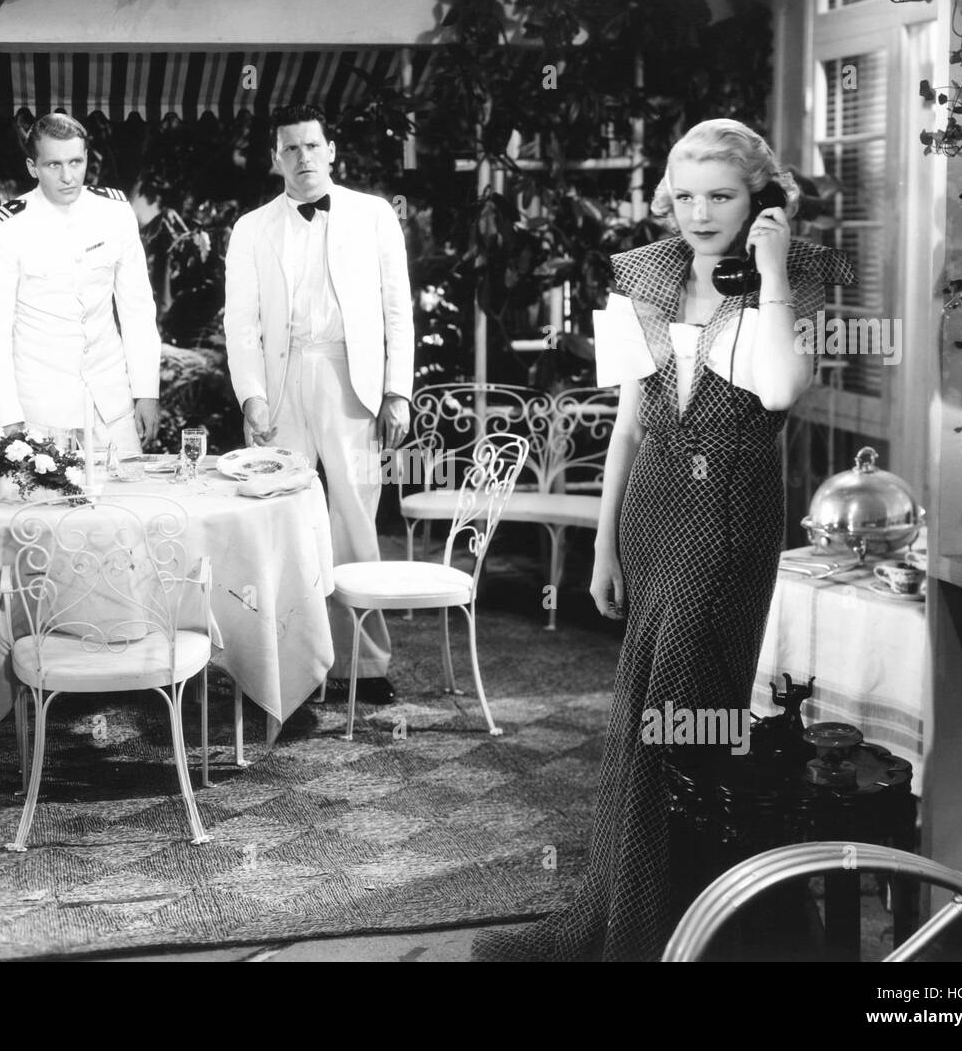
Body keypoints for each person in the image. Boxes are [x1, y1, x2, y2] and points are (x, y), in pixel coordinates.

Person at [472, 119, 855, 961]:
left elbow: (785, 390)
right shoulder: (647, 276)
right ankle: (643, 917)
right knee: (648, 721)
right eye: (685, 197)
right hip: (653, 514)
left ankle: (690, 930)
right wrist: (605, 545)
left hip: (732, 519)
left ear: (762, 200)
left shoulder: (804, 276)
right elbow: (631, 425)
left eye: (721, 195)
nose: (699, 213)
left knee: (685, 719)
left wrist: (773, 273)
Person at [224, 104, 414, 704]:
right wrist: (253, 395)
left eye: (312, 146)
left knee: (354, 517)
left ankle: (365, 666)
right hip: (281, 383)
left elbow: (396, 310)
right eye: (290, 149)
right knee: (284, 520)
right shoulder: (251, 228)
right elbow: (241, 324)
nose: (303, 159)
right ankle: (291, 667)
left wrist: (397, 391)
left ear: (330, 149)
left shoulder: (373, 214)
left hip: (351, 378)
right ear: (274, 158)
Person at [0, 113, 161, 454]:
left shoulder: (115, 213)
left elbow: (137, 309)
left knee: (130, 504)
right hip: (40, 414)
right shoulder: (5, 228)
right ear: (33, 167)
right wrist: (6, 417)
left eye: (76, 161)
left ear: (87, 157)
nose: (68, 176)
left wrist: (147, 391)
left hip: (112, 408)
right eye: (53, 165)